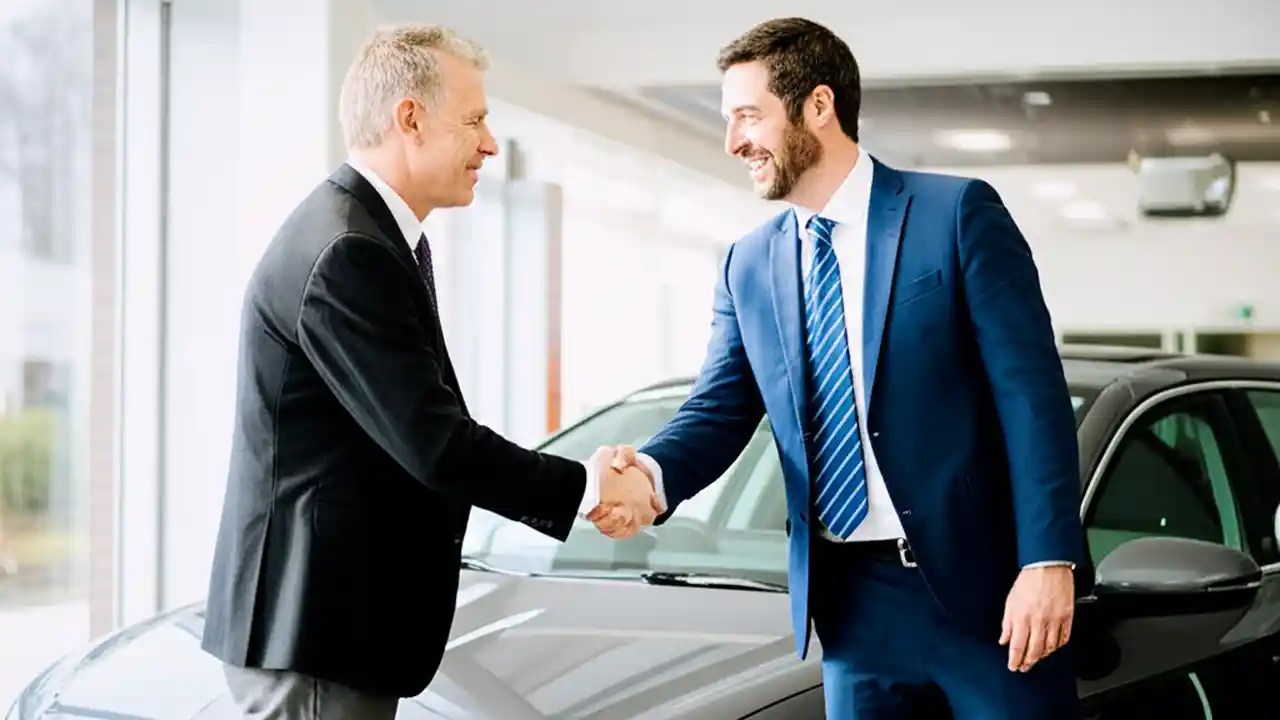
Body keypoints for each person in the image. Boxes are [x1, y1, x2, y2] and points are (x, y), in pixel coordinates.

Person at [601, 17, 1089, 719]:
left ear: (819, 107)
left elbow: (1031, 397)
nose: (734, 141)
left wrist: (1048, 561)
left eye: (749, 116)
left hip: (990, 597)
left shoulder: (953, 215)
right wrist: (648, 477)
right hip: (853, 608)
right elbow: (717, 410)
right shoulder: (749, 263)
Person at [200, 23, 660, 719]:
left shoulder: (362, 235)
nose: (489, 143)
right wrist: (590, 483)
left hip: (325, 630)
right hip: (316, 635)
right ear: (408, 119)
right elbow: (435, 443)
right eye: (474, 119)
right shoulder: (349, 251)